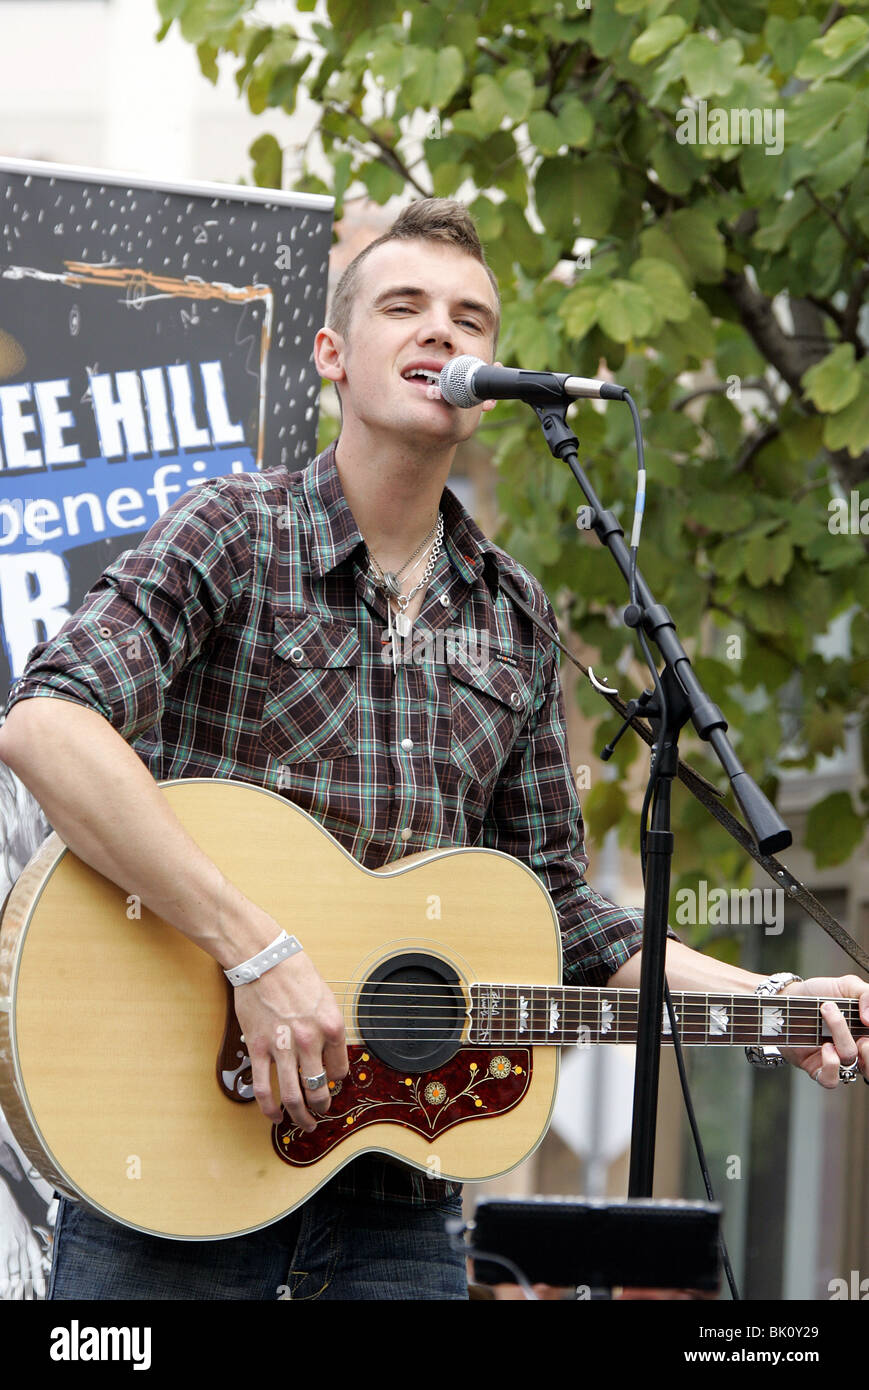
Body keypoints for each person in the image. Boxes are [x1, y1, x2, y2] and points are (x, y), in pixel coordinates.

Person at [0, 199, 866, 1302]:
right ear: (331, 355)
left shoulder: (511, 612)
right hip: (173, 1175)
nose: (441, 334)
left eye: (470, 319)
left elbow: (560, 910)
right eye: (402, 306)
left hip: (393, 1200)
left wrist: (771, 1000)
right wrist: (256, 953)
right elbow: (45, 722)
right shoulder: (232, 532)